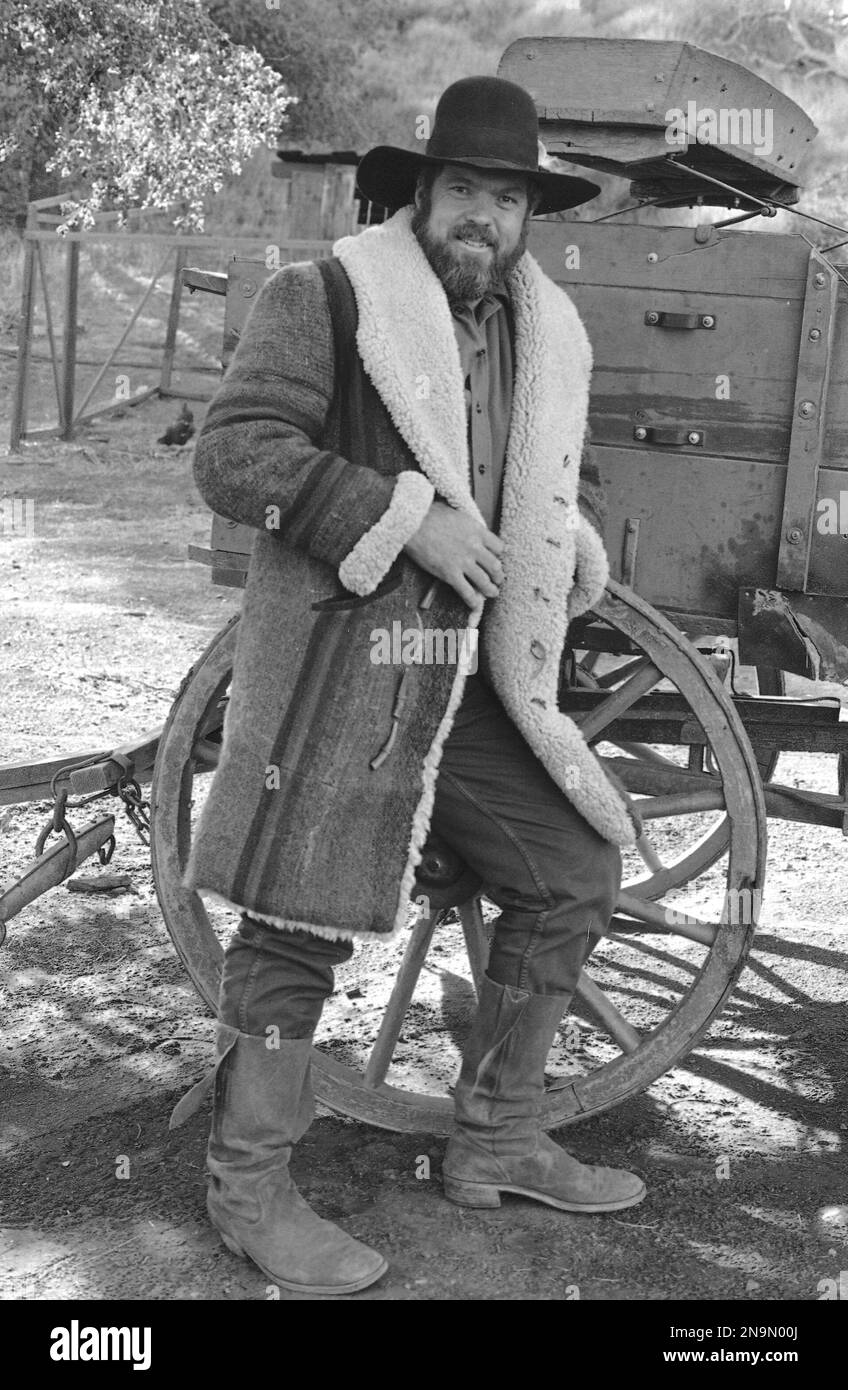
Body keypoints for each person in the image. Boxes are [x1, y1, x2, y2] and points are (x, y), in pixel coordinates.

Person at [174, 75, 646, 1296]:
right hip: (350, 668)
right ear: (421, 194)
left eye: (505, 197)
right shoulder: (326, 297)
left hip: (473, 680)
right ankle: (250, 1192)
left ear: (527, 215)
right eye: (462, 189)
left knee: (571, 871)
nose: (480, 216)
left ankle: (492, 1139)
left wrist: (567, 544)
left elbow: (567, 478)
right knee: (294, 923)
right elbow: (234, 455)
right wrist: (404, 515)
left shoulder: (549, 336)